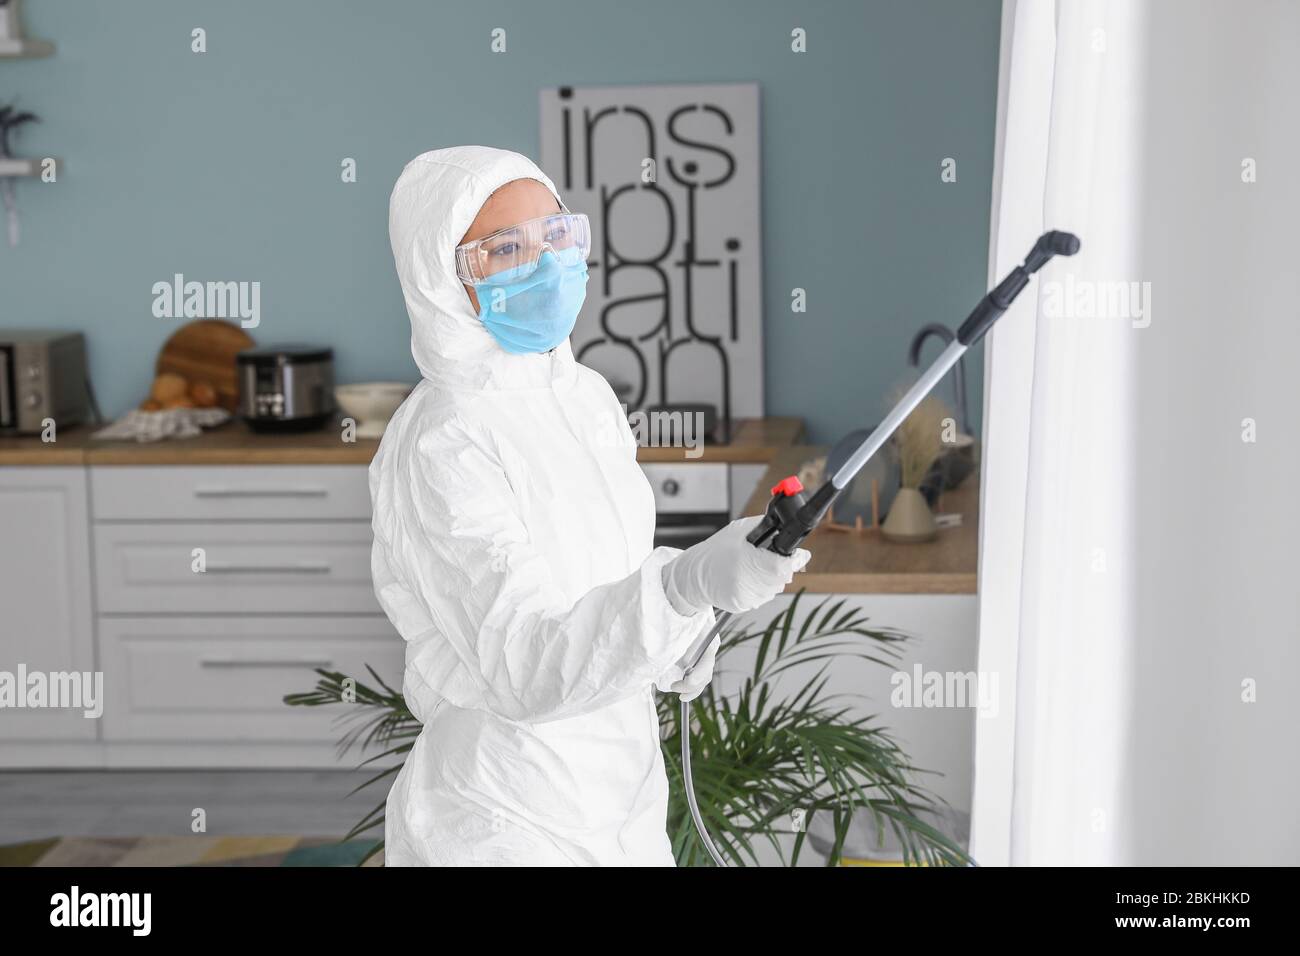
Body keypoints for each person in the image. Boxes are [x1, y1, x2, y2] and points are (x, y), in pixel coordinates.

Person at [371, 145, 810, 866]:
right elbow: (524, 663)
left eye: (555, 234)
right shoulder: (443, 438)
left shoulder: (582, 397)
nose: (543, 262)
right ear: (441, 278)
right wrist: (682, 586)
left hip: (620, 795)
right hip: (503, 810)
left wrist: (683, 632)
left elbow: (603, 581)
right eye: (504, 248)